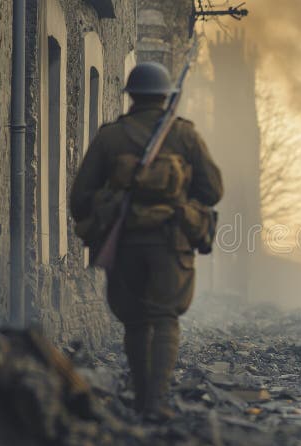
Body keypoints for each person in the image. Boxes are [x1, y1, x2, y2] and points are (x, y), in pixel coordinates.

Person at [69, 62, 223, 420]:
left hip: (124, 243)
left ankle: (141, 401)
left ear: (132, 96)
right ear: (167, 96)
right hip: (172, 243)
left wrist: (115, 208)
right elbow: (213, 190)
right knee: (165, 317)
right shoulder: (185, 135)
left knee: (136, 322)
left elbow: (80, 199)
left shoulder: (111, 137)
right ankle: (157, 403)